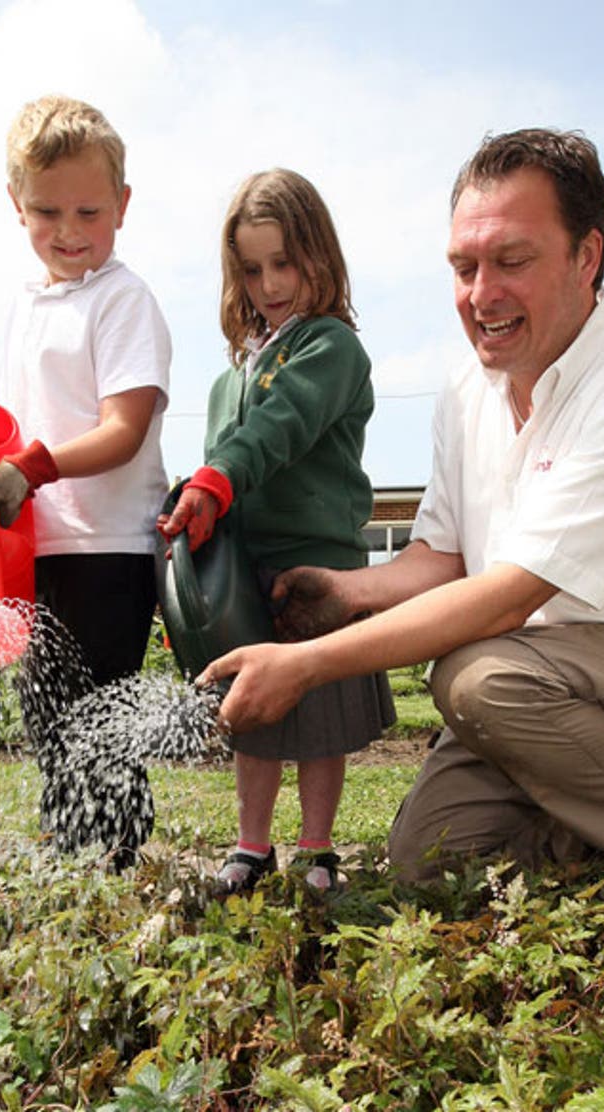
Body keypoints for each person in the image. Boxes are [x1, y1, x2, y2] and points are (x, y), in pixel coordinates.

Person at [199, 129, 604, 882]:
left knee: (473, 679)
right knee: (424, 861)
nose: (482, 295)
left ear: (588, 256)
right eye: (464, 267)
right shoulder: (466, 390)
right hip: (527, 669)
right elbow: (442, 557)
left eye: (512, 261)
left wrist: (307, 664)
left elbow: (509, 595)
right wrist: (346, 592)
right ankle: (584, 800)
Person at [159, 168, 395, 892]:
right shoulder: (228, 379)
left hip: (317, 567)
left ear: (319, 255)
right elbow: (223, 456)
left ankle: (317, 846)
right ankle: (252, 846)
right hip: (248, 567)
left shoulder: (331, 349)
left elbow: (281, 425)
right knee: (254, 716)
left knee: (319, 716)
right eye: (252, 269)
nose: (269, 283)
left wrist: (219, 476)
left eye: (284, 263)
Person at [0, 94, 171, 863]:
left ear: (122, 204)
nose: (70, 232)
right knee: (46, 716)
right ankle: (69, 854)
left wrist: (32, 467)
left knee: (95, 716)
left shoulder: (122, 301)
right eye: (48, 212)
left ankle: (112, 860)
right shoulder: (25, 305)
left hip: (107, 547)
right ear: (16, 206)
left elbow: (125, 429)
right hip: (34, 548)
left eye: (89, 211)